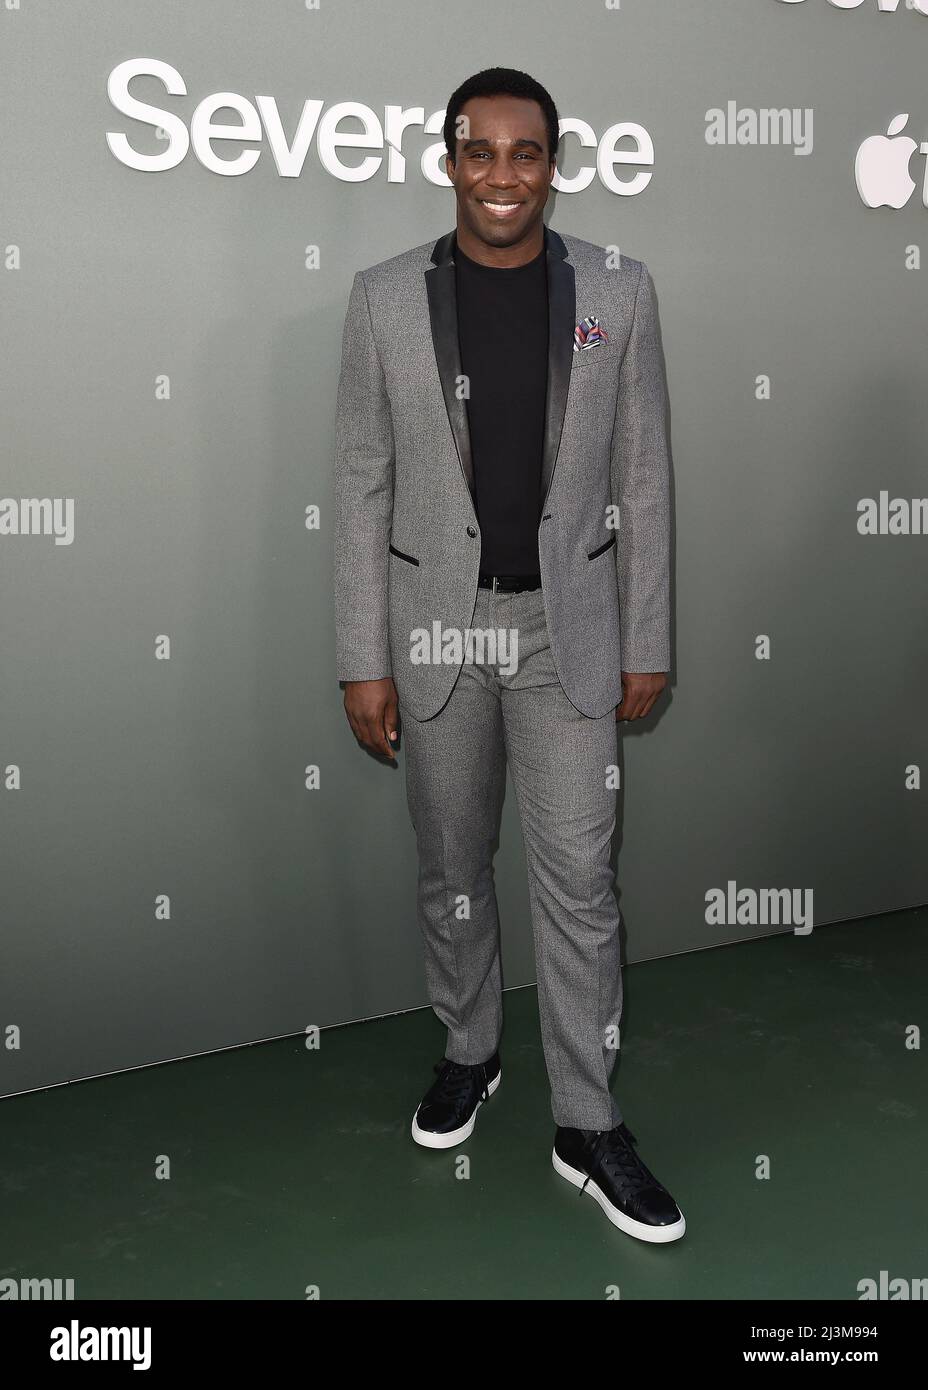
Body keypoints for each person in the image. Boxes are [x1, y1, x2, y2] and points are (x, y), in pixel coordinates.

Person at [333, 66, 683, 1243]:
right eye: (477, 151)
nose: (500, 173)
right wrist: (361, 656)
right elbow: (360, 482)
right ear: (449, 161)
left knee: (580, 879)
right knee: (451, 864)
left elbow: (643, 476)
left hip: (565, 630)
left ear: (552, 166)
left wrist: (646, 635)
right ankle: (470, 1048)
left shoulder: (616, 293)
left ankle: (586, 1121)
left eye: (523, 152)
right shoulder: (384, 299)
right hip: (435, 628)